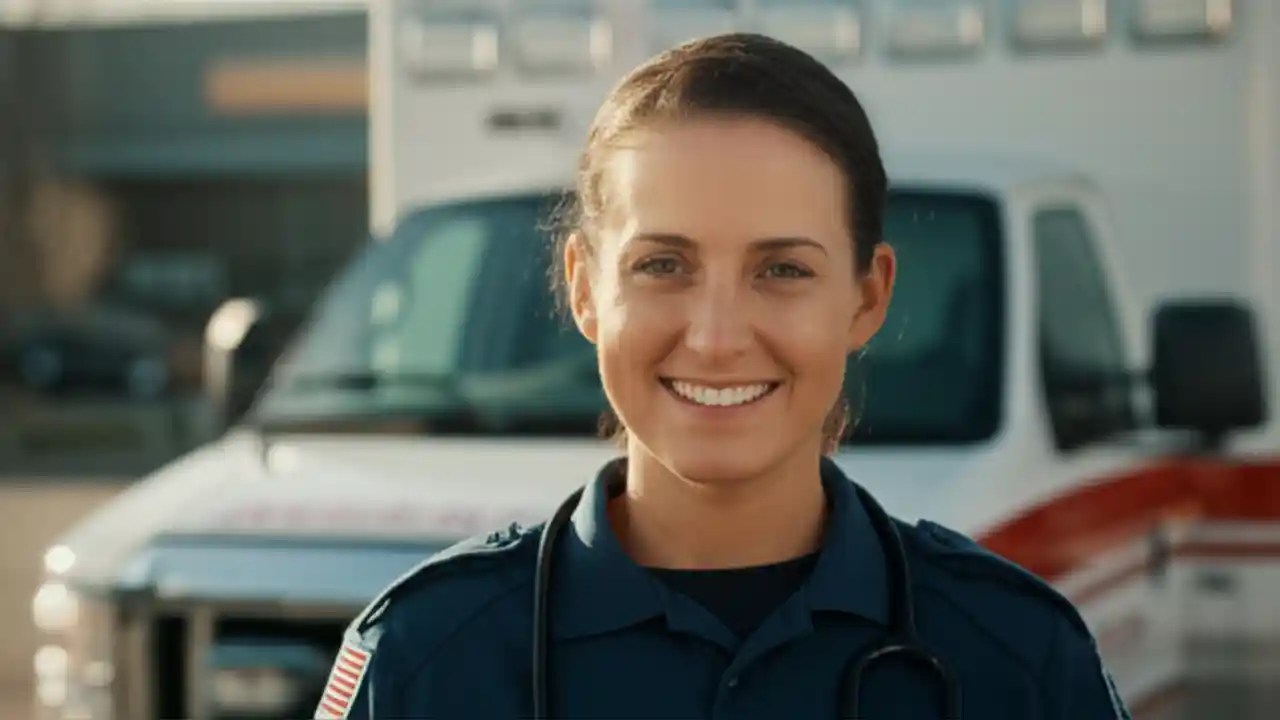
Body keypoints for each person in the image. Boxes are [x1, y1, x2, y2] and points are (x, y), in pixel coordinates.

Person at [315, 33, 1131, 720]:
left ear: (868, 296)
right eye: (663, 264)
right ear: (583, 288)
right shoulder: (422, 662)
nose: (714, 338)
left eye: (781, 270)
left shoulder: (1018, 659)